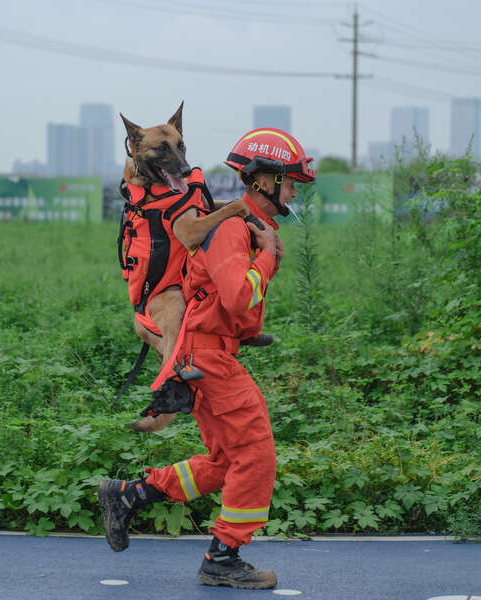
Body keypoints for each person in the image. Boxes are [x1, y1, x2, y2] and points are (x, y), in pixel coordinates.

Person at [98, 128, 315, 590]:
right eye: (290, 182)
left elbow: (229, 302)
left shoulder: (241, 228)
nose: (295, 192)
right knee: (256, 455)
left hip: (205, 353)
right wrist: (268, 261)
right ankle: (223, 556)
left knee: (224, 460)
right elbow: (237, 298)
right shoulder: (232, 228)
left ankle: (129, 495)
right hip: (208, 358)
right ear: (262, 181)